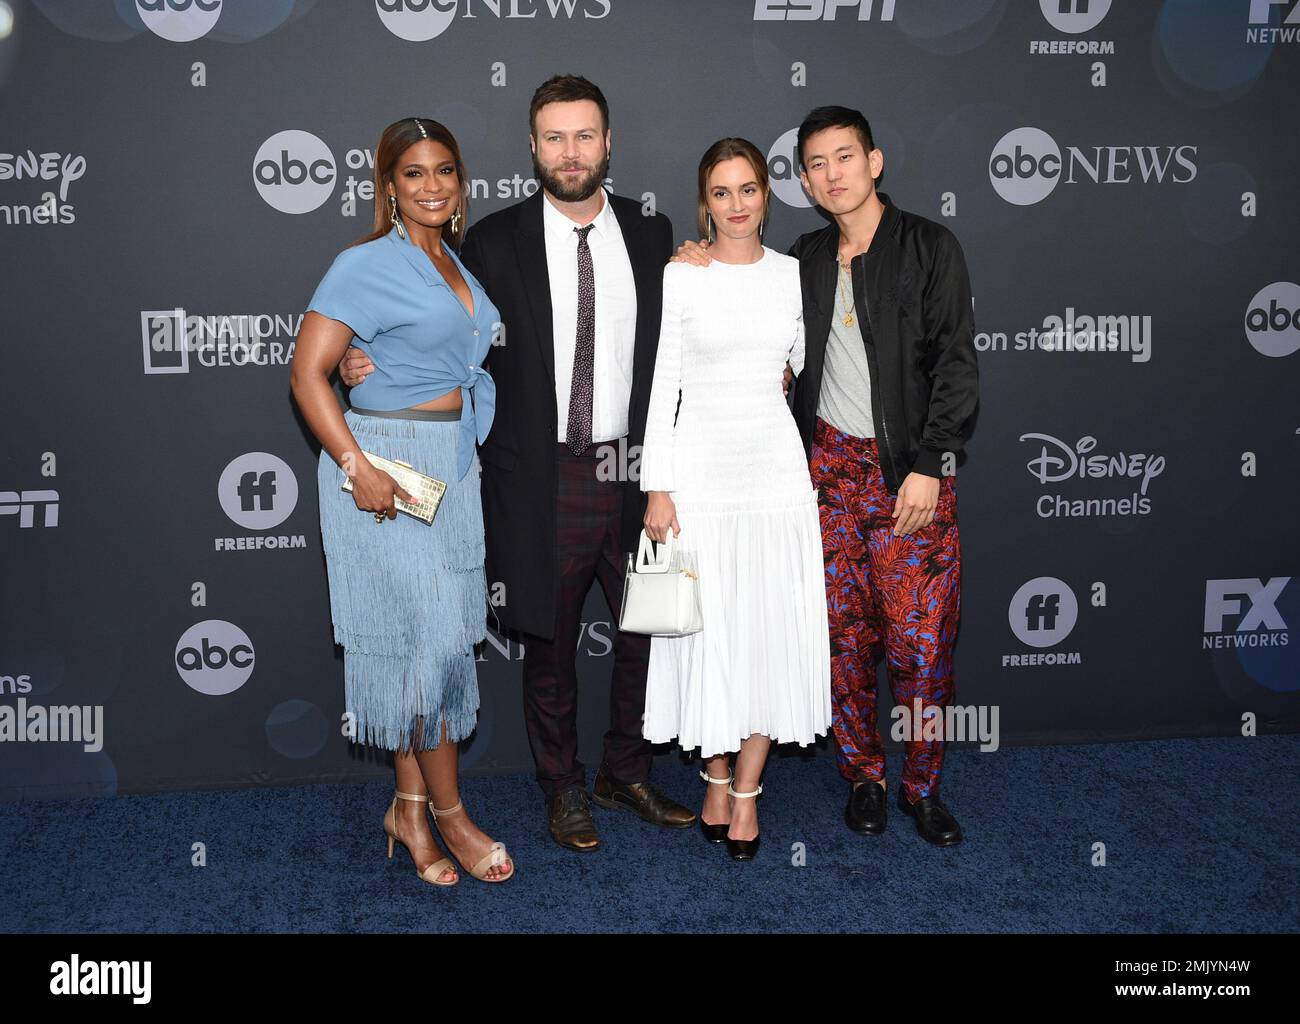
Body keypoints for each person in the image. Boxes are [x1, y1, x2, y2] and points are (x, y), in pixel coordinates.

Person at [340, 76, 695, 852]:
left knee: (645, 634)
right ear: (533, 148)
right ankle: (562, 786)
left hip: (637, 468)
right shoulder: (491, 243)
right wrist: (362, 357)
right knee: (549, 639)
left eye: (586, 136)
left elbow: (689, 338)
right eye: (556, 138)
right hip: (544, 472)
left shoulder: (654, 232)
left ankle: (625, 772)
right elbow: (431, 323)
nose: (572, 152)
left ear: (610, 143)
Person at [676, 106, 979, 846]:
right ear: (803, 179)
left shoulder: (930, 247)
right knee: (843, 641)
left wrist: (931, 466)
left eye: (844, 156)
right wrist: (700, 264)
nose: (832, 173)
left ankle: (922, 786)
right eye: (816, 163)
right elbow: (747, 314)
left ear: (874, 162)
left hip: (908, 475)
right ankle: (865, 776)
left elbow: (956, 368)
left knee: (920, 645)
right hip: (825, 476)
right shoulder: (802, 260)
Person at [290, 117, 514, 885]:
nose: (431, 186)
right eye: (413, 173)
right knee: (427, 643)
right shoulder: (362, 264)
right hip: (383, 471)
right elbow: (307, 373)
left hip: (450, 468)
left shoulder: (455, 262)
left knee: (441, 643)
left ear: (461, 181)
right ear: (388, 184)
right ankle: (451, 817)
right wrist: (357, 465)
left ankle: (408, 808)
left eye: (444, 171)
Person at [639, 139, 831, 861]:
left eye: (749, 189)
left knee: (767, 633)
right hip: (700, 478)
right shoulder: (681, 277)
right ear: (704, 202)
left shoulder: (793, 276)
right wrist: (657, 485)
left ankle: (747, 787)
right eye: (722, 192)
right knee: (708, 634)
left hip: (777, 478)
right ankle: (713, 773)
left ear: (767, 195)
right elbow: (663, 387)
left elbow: (804, 369)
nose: (738, 204)